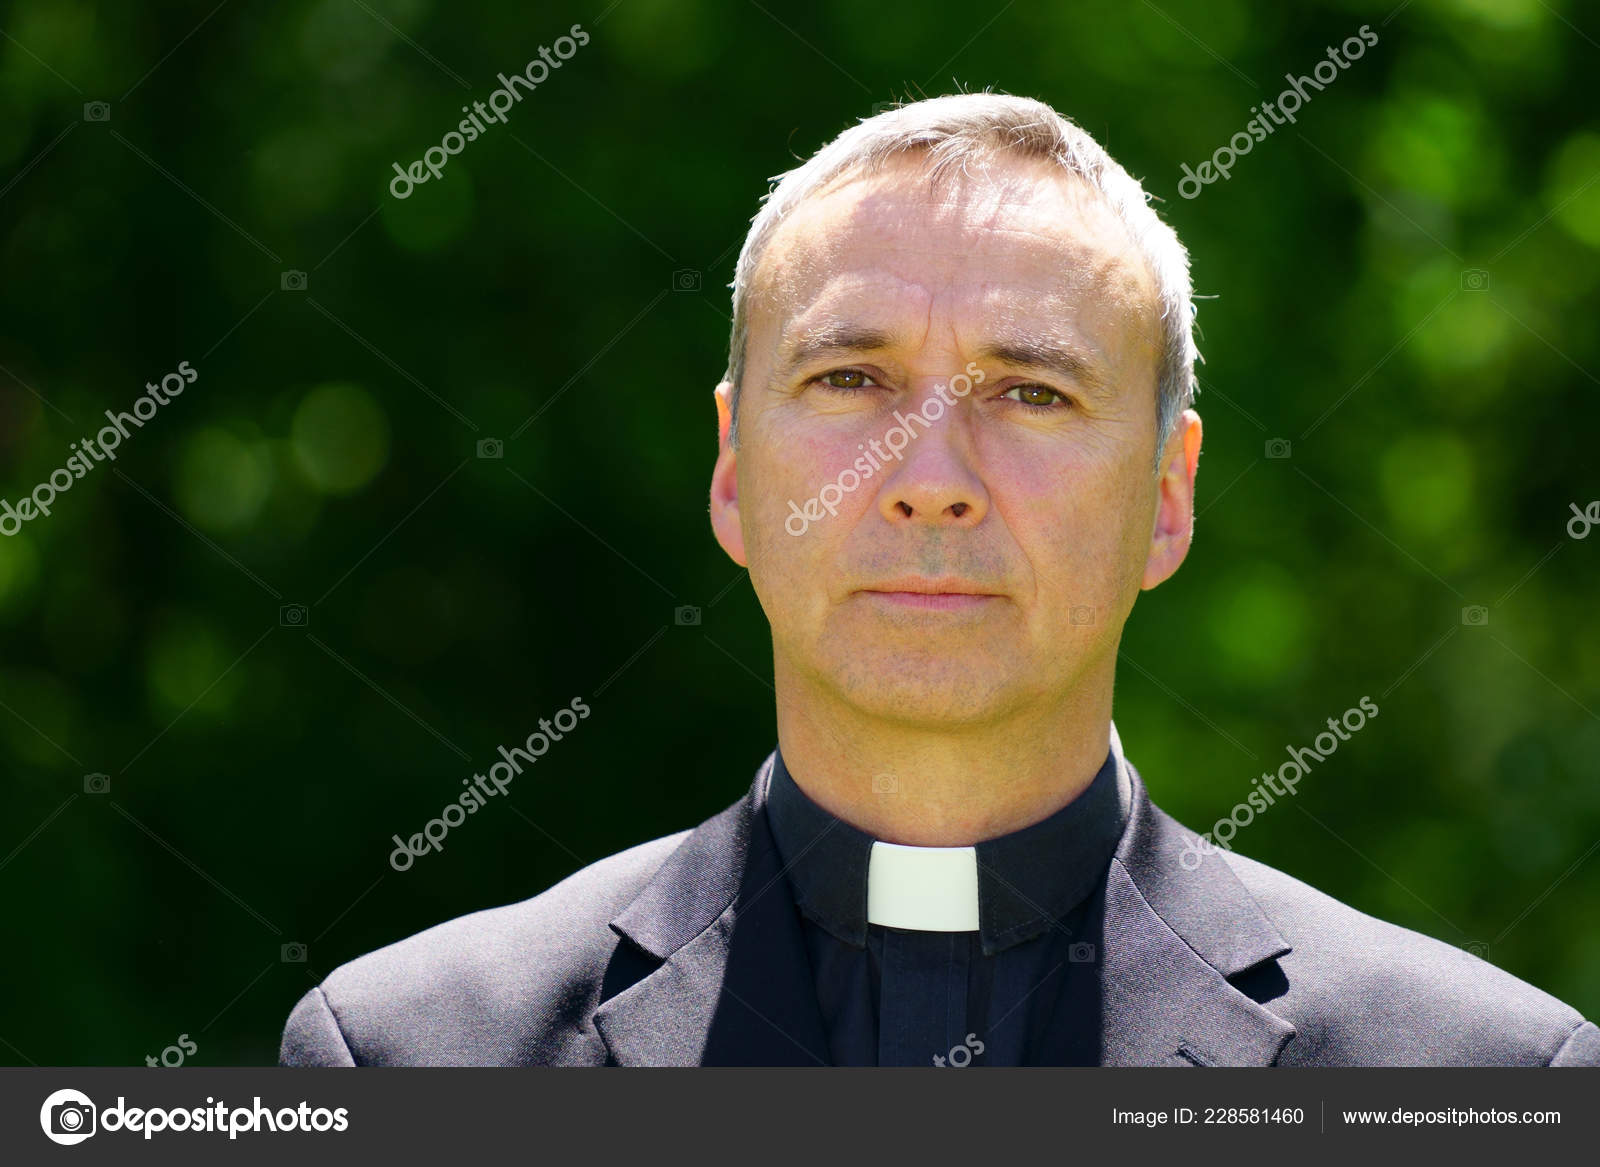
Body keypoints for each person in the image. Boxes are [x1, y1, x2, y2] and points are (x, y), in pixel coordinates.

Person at [279, 93, 1599, 1067]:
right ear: (736, 471)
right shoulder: (414, 1059)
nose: (932, 477)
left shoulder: (1476, 1078)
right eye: (851, 380)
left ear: (1167, 499)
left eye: (1031, 392)